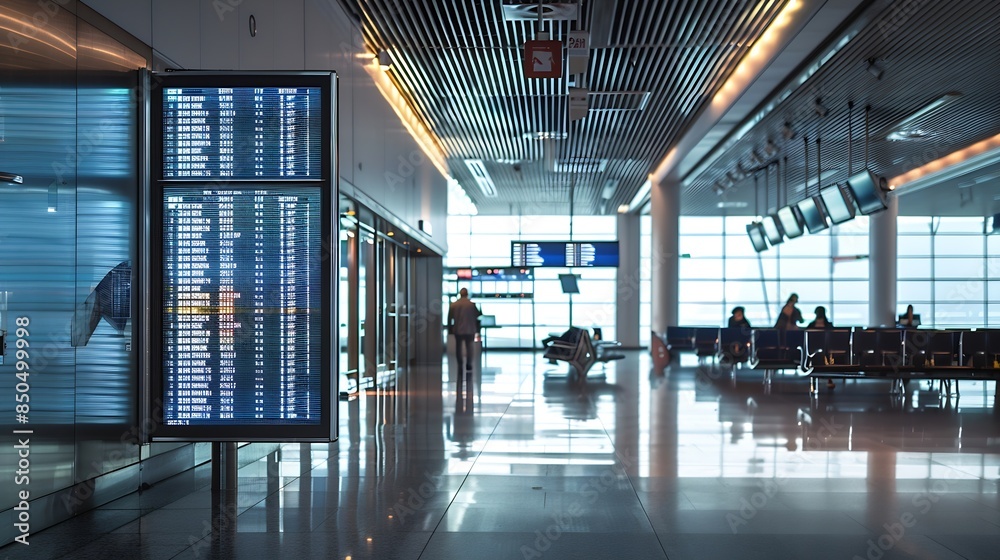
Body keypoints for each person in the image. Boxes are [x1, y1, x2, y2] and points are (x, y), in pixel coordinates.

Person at [447, 288, 481, 378]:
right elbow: (478, 315)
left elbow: (449, 318)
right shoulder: (471, 305)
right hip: (470, 329)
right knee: (469, 347)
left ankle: (460, 363)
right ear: (467, 294)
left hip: (458, 329)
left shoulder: (454, 305)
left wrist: (449, 329)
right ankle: (469, 364)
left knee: (458, 347)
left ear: (460, 294)